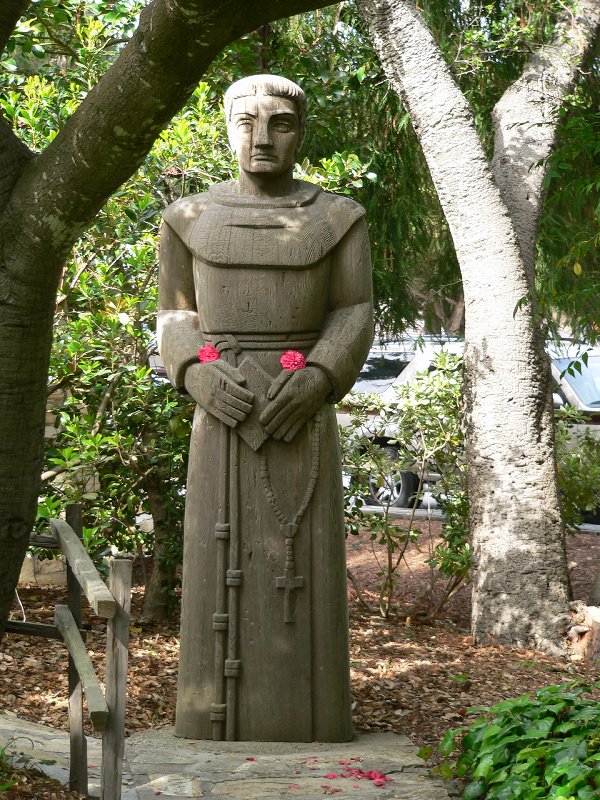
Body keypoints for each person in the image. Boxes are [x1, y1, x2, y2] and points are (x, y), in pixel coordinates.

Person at [158, 74, 373, 742]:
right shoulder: (187, 219)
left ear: (300, 131)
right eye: (246, 121)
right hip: (221, 411)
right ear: (226, 127)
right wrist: (193, 368)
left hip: (297, 409)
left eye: (280, 123)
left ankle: (306, 716)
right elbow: (173, 312)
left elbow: (355, 308)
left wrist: (321, 373)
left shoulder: (338, 217)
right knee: (216, 561)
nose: (262, 138)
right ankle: (208, 718)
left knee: (297, 570)